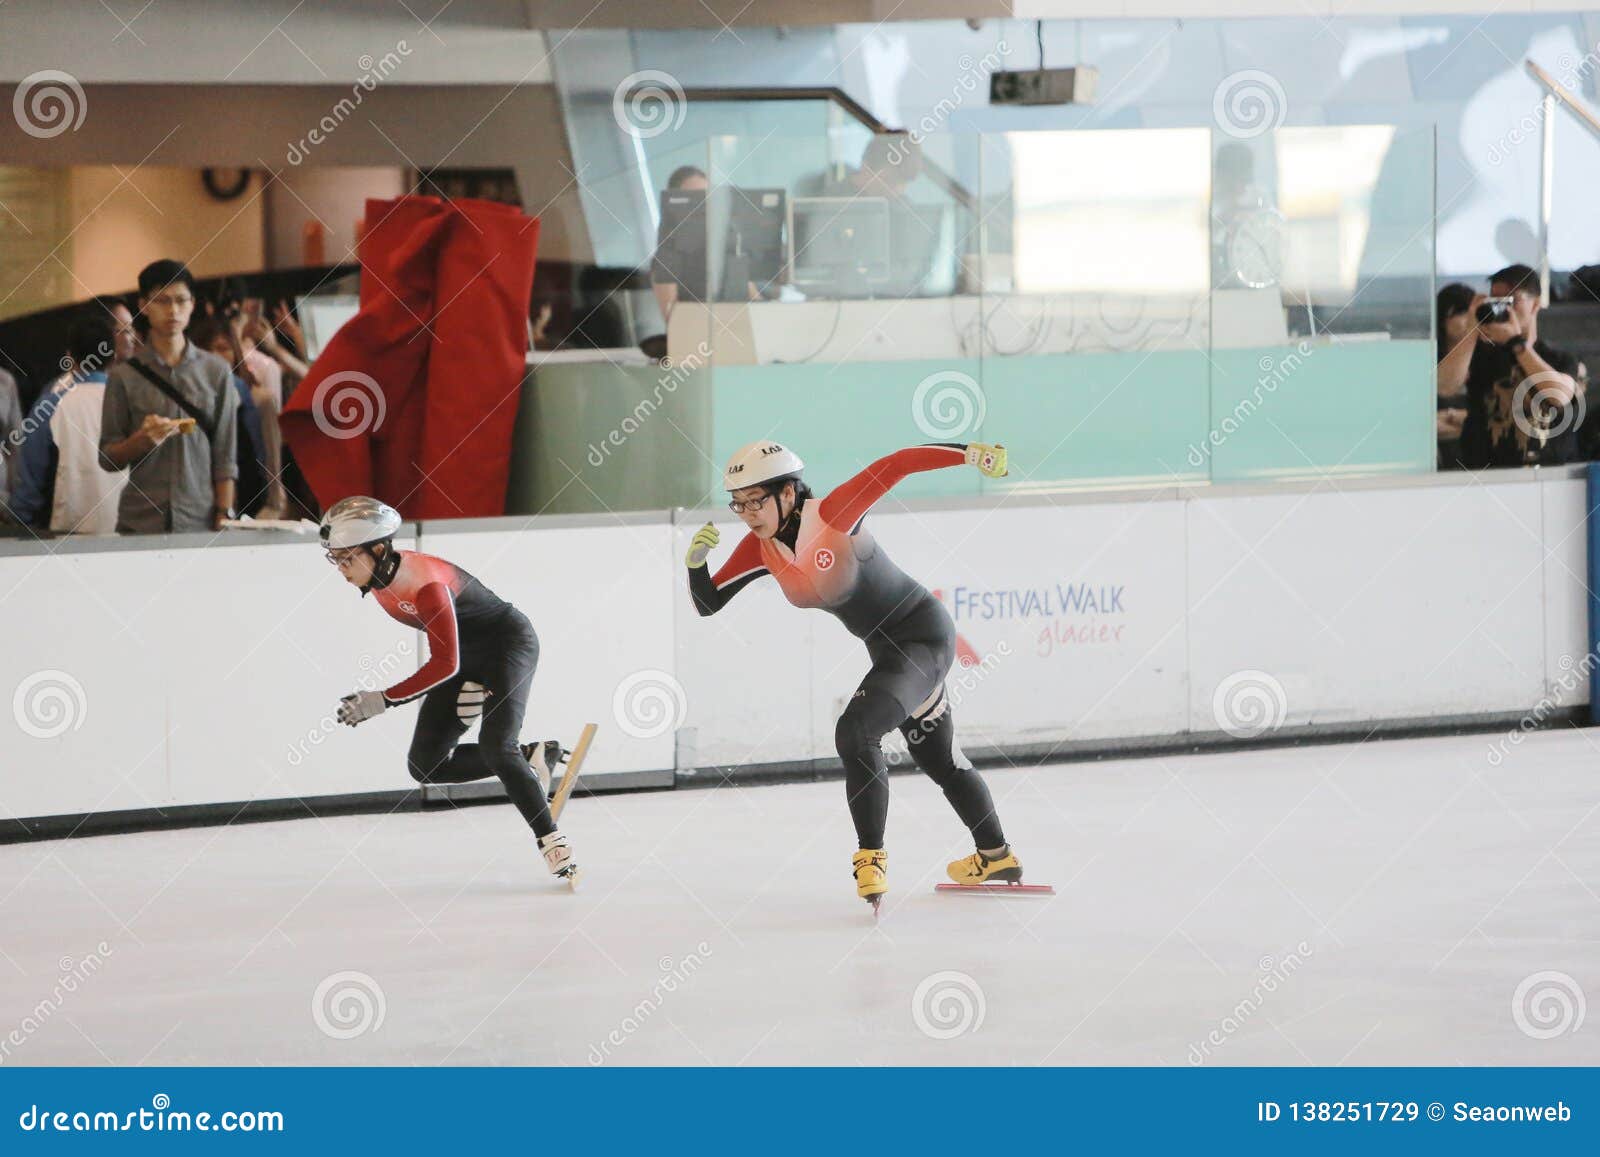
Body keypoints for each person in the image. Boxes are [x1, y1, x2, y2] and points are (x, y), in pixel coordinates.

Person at [685, 439, 1019, 909]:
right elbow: (709, 602)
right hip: (887, 655)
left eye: (756, 500)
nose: (747, 514)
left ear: (788, 493)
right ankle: (997, 855)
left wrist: (970, 454)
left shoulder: (834, 513)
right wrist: (696, 565)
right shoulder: (760, 548)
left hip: (923, 637)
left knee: (856, 730)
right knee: (939, 760)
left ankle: (870, 855)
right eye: (738, 504)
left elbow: (896, 463)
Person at [320, 496, 580, 883]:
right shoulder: (378, 576)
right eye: (334, 559)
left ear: (378, 548)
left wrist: (383, 700)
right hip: (464, 653)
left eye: (346, 558)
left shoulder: (426, 586)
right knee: (425, 764)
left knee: (497, 746)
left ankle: (552, 841)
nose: (340, 569)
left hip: (507, 645)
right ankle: (536, 756)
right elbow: (450, 658)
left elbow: (445, 663)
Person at [98, 259, 239, 533]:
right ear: (144, 305)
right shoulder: (123, 376)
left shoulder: (216, 371)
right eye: (162, 301)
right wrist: (140, 441)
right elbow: (107, 457)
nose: (173, 310)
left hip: (200, 518)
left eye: (181, 300)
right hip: (140, 520)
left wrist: (224, 512)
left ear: (193, 304)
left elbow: (225, 454)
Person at [6, 312, 128, 534]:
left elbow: (30, 479)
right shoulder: (129, 402)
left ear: (70, 357)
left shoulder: (50, 405)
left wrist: (18, 519)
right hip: (127, 531)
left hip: (66, 535)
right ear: (113, 357)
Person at [1458, 263, 1583, 468]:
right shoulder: (1480, 356)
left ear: (1535, 304)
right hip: (1486, 472)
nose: (1504, 308)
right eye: (1496, 301)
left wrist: (1516, 343)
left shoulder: (1559, 359)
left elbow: (1558, 395)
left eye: (1511, 301)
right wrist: (1472, 327)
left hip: (1550, 476)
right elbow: (1445, 385)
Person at [1434, 282, 1476, 470]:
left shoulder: (1487, 360)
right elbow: (1427, 425)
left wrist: (1451, 416)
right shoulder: (1429, 362)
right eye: (1460, 313)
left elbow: (1488, 422)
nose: (1468, 320)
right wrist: (1465, 420)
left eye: (1472, 313)